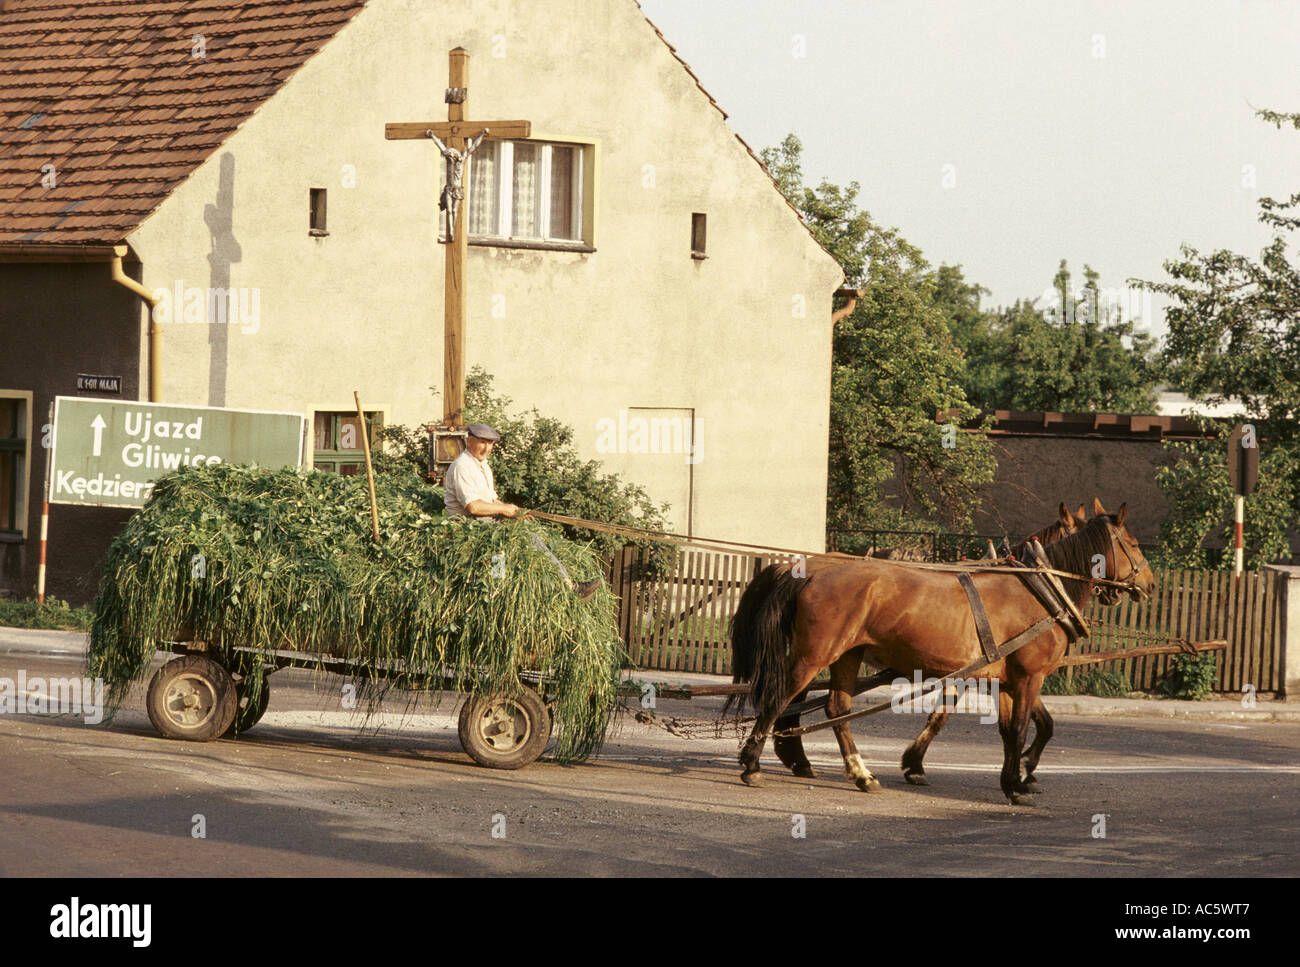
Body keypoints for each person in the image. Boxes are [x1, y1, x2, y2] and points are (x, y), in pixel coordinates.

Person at [444, 423, 600, 600]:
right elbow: (473, 506)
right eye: (482, 443)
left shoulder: (482, 465)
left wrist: (515, 513)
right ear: (469, 441)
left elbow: (491, 500)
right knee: (503, 542)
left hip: (485, 521)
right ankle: (497, 587)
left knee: (528, 536)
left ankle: (565, 583)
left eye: (491, 444)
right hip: (468, 526)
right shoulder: (462, 466)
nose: (487, 448)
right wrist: (505, 510)